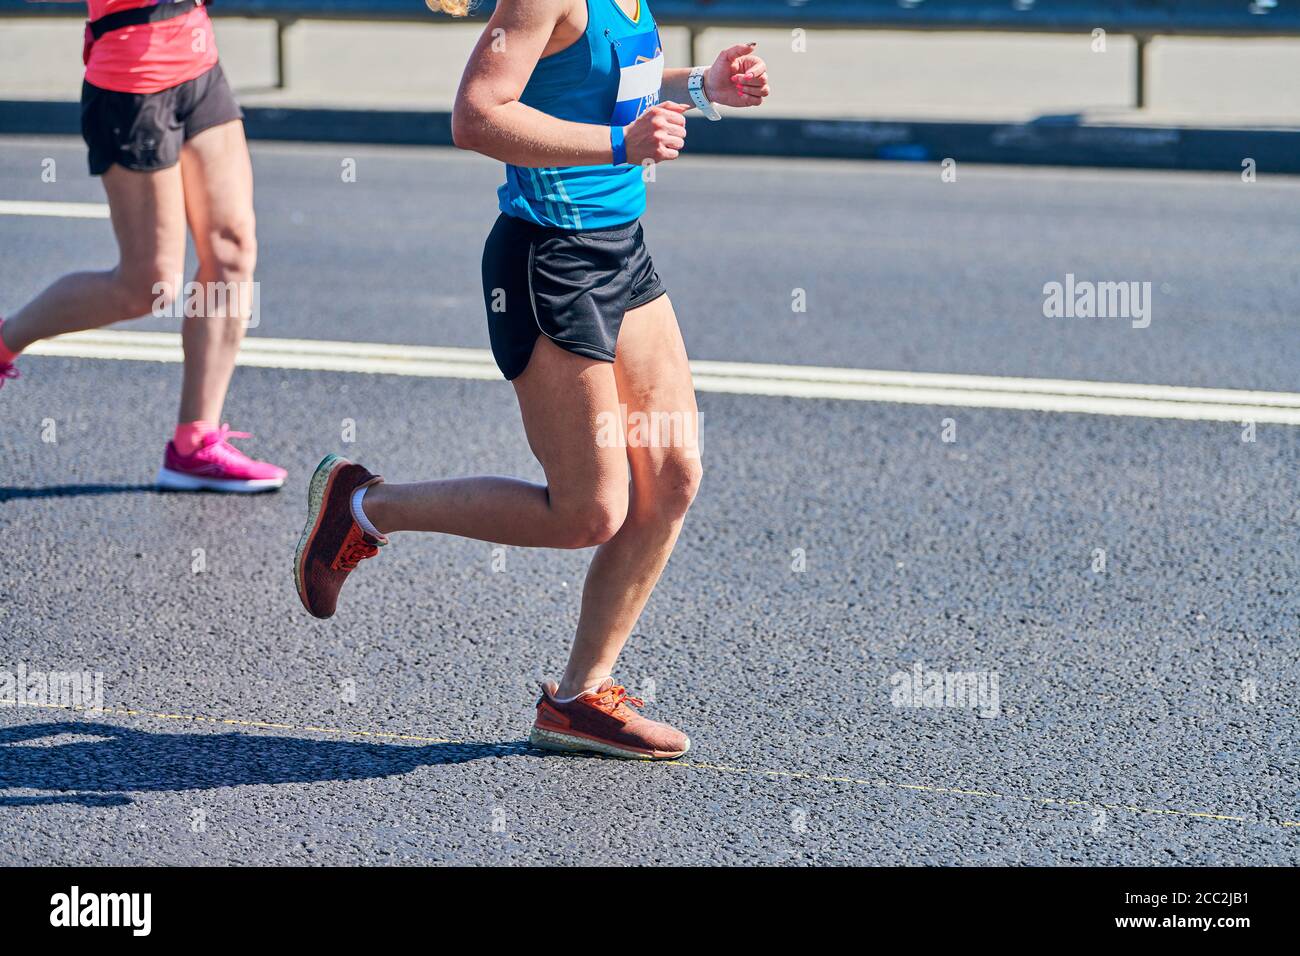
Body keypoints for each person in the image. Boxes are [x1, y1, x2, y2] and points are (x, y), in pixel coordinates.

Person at [295, 0, 770, 758]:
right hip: (548, 263)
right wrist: (621, 143)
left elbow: (606, 84)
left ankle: (580, 698)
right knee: (587, 513)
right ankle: (364, 504)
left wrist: (702, 88)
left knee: (674, 473)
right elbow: (478, 116)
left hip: (621, 251)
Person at [0, 0, 285, 493]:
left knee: (233, 250)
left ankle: (195, 445)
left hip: (197, 59)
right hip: (132, 75)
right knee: (148, 285)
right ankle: (4, 342)